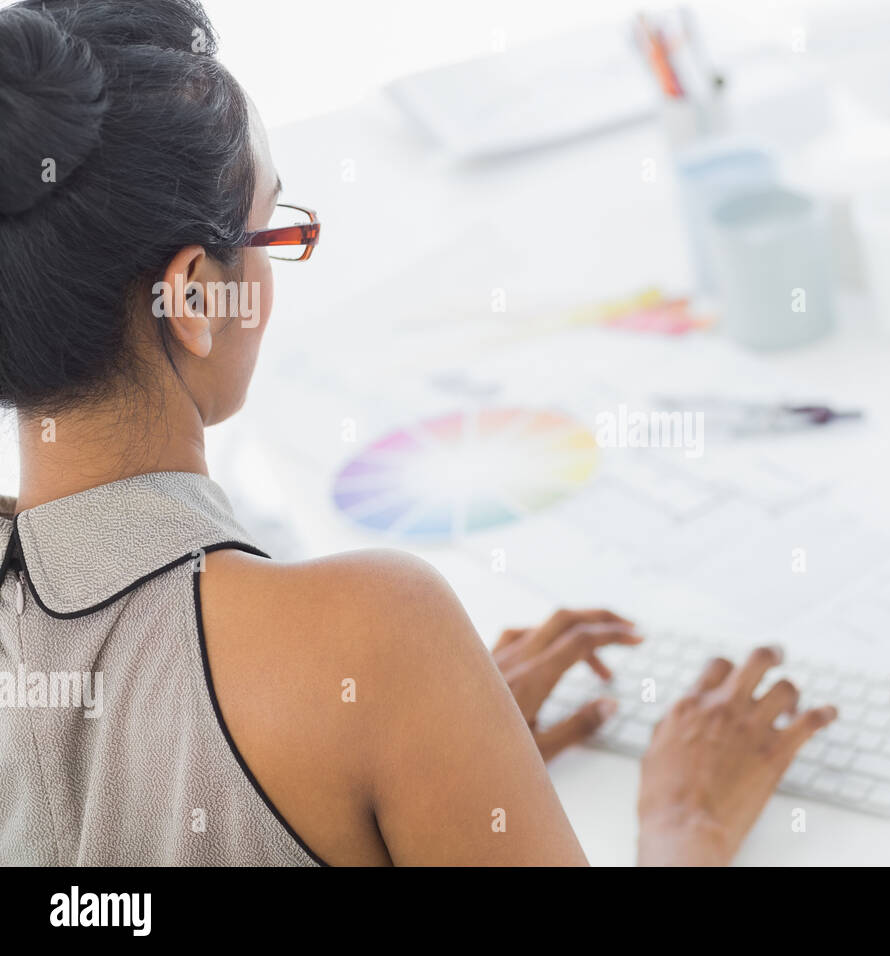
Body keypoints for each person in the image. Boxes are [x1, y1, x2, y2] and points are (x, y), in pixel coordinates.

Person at [0, 0, 836, 866]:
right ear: (195, 299)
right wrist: (684, 830)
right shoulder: (377, 633)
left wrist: (427, 740)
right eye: (274, 232)